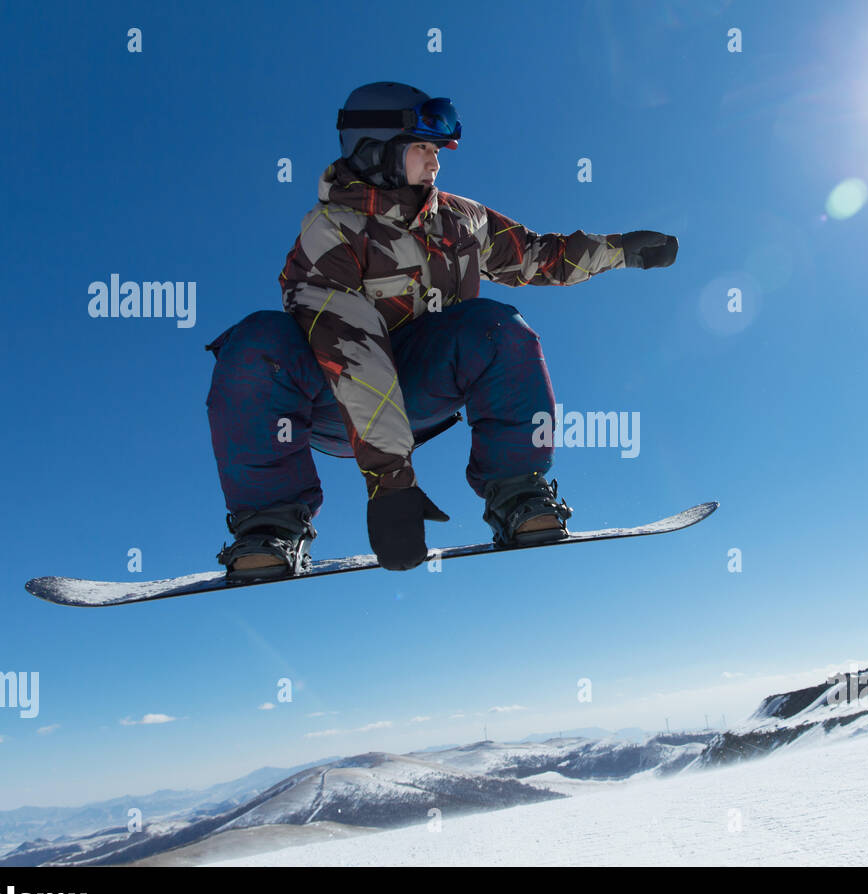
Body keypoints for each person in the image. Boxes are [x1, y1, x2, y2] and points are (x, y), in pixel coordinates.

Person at [205, 81, 678, 579]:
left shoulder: (460, 218)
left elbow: (538, 256)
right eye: (423, 149)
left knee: (496, 326)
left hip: (418, 388)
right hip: (332, 402)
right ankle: (269, 527)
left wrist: (622, 250)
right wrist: (392, 487)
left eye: (438, 151)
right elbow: (353, 348)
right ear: (377, 151)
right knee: (256, 343)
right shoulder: (331, 230)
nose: (435, 163)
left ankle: (518, 493)